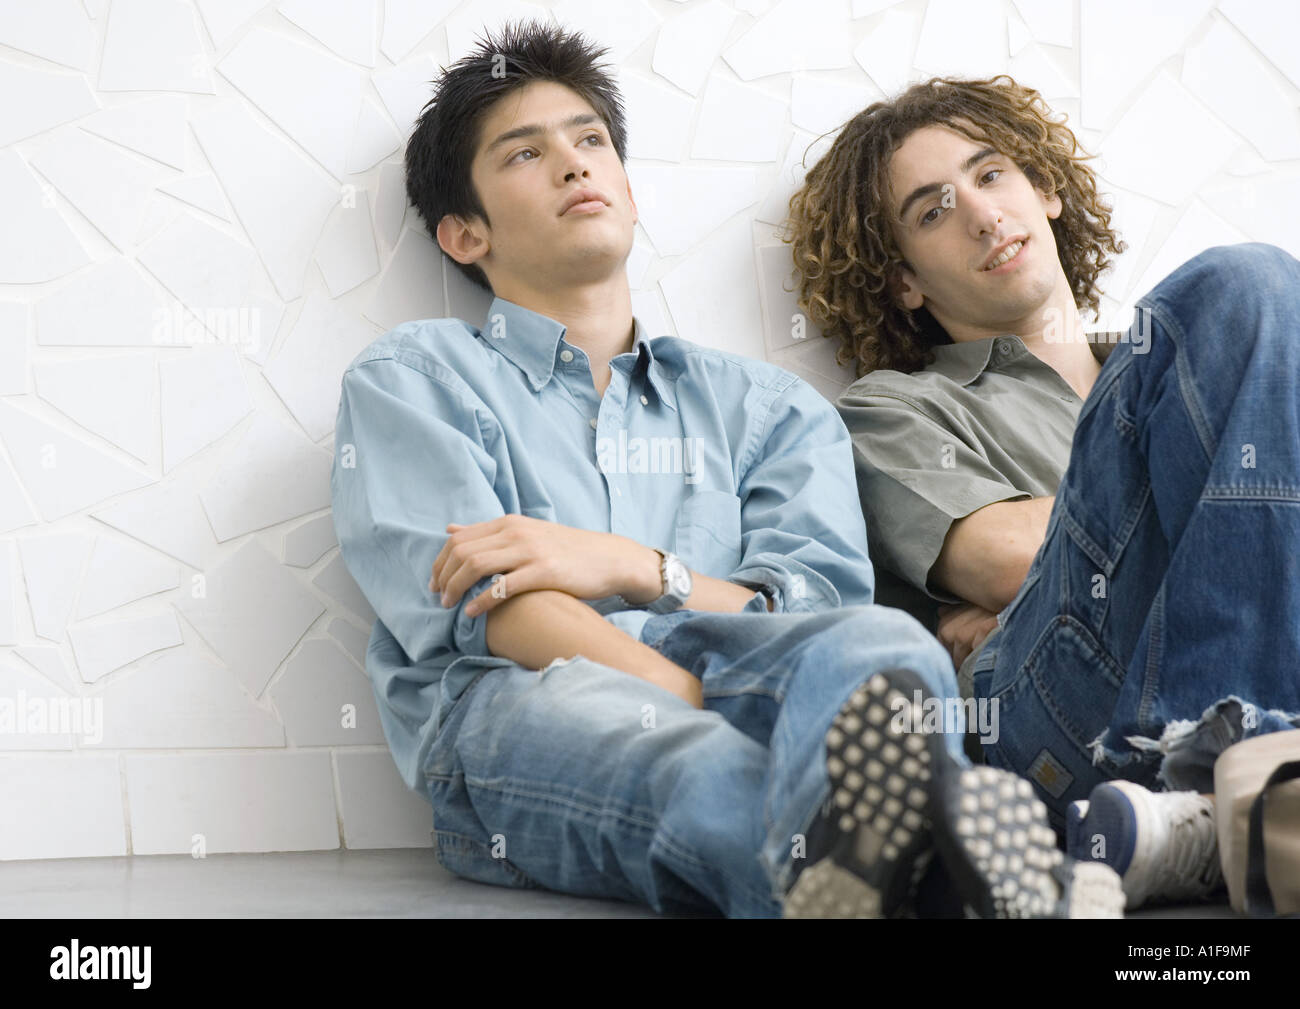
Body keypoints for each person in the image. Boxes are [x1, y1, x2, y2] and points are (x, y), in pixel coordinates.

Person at [329, 24, 1123, 919]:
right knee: (699, 760)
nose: (573, 165)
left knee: (888, 645)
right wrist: (685, 688)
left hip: (750, 692)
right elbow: (493, 606)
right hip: (521, 705)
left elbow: (818, 614)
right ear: (464, 233)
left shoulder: (768, 409)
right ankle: (964, 882)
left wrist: (639, 571)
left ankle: (896, 885)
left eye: (591, 140)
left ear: (628, 184)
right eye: (526, 153)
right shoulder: (416, 376)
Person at [785, 74, 1300, 909]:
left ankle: (1216, 811)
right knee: (1248, 281)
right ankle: (1233, 763)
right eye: (931, 211)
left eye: (991, 176)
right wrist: (1215, 510)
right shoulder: (892, 406)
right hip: (1054, 714)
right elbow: (1005, 560)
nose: (982, 215)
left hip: (1166, 714)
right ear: (905, 282)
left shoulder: (1186, 371)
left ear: (1045, 191)